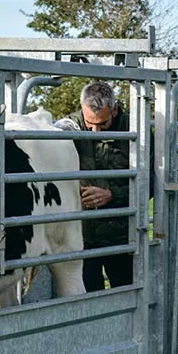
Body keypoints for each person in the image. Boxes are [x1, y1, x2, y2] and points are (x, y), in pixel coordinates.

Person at [66, 81, 133, 291]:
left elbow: (150, 182)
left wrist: (112, 195)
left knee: (125, 297)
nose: (95, 131)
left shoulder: (134, 130)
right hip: (81, 236)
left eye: (102, 124)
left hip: (121, 237)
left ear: (114, 110)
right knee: (86, 299)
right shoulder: (69, 127)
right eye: (89, 124)